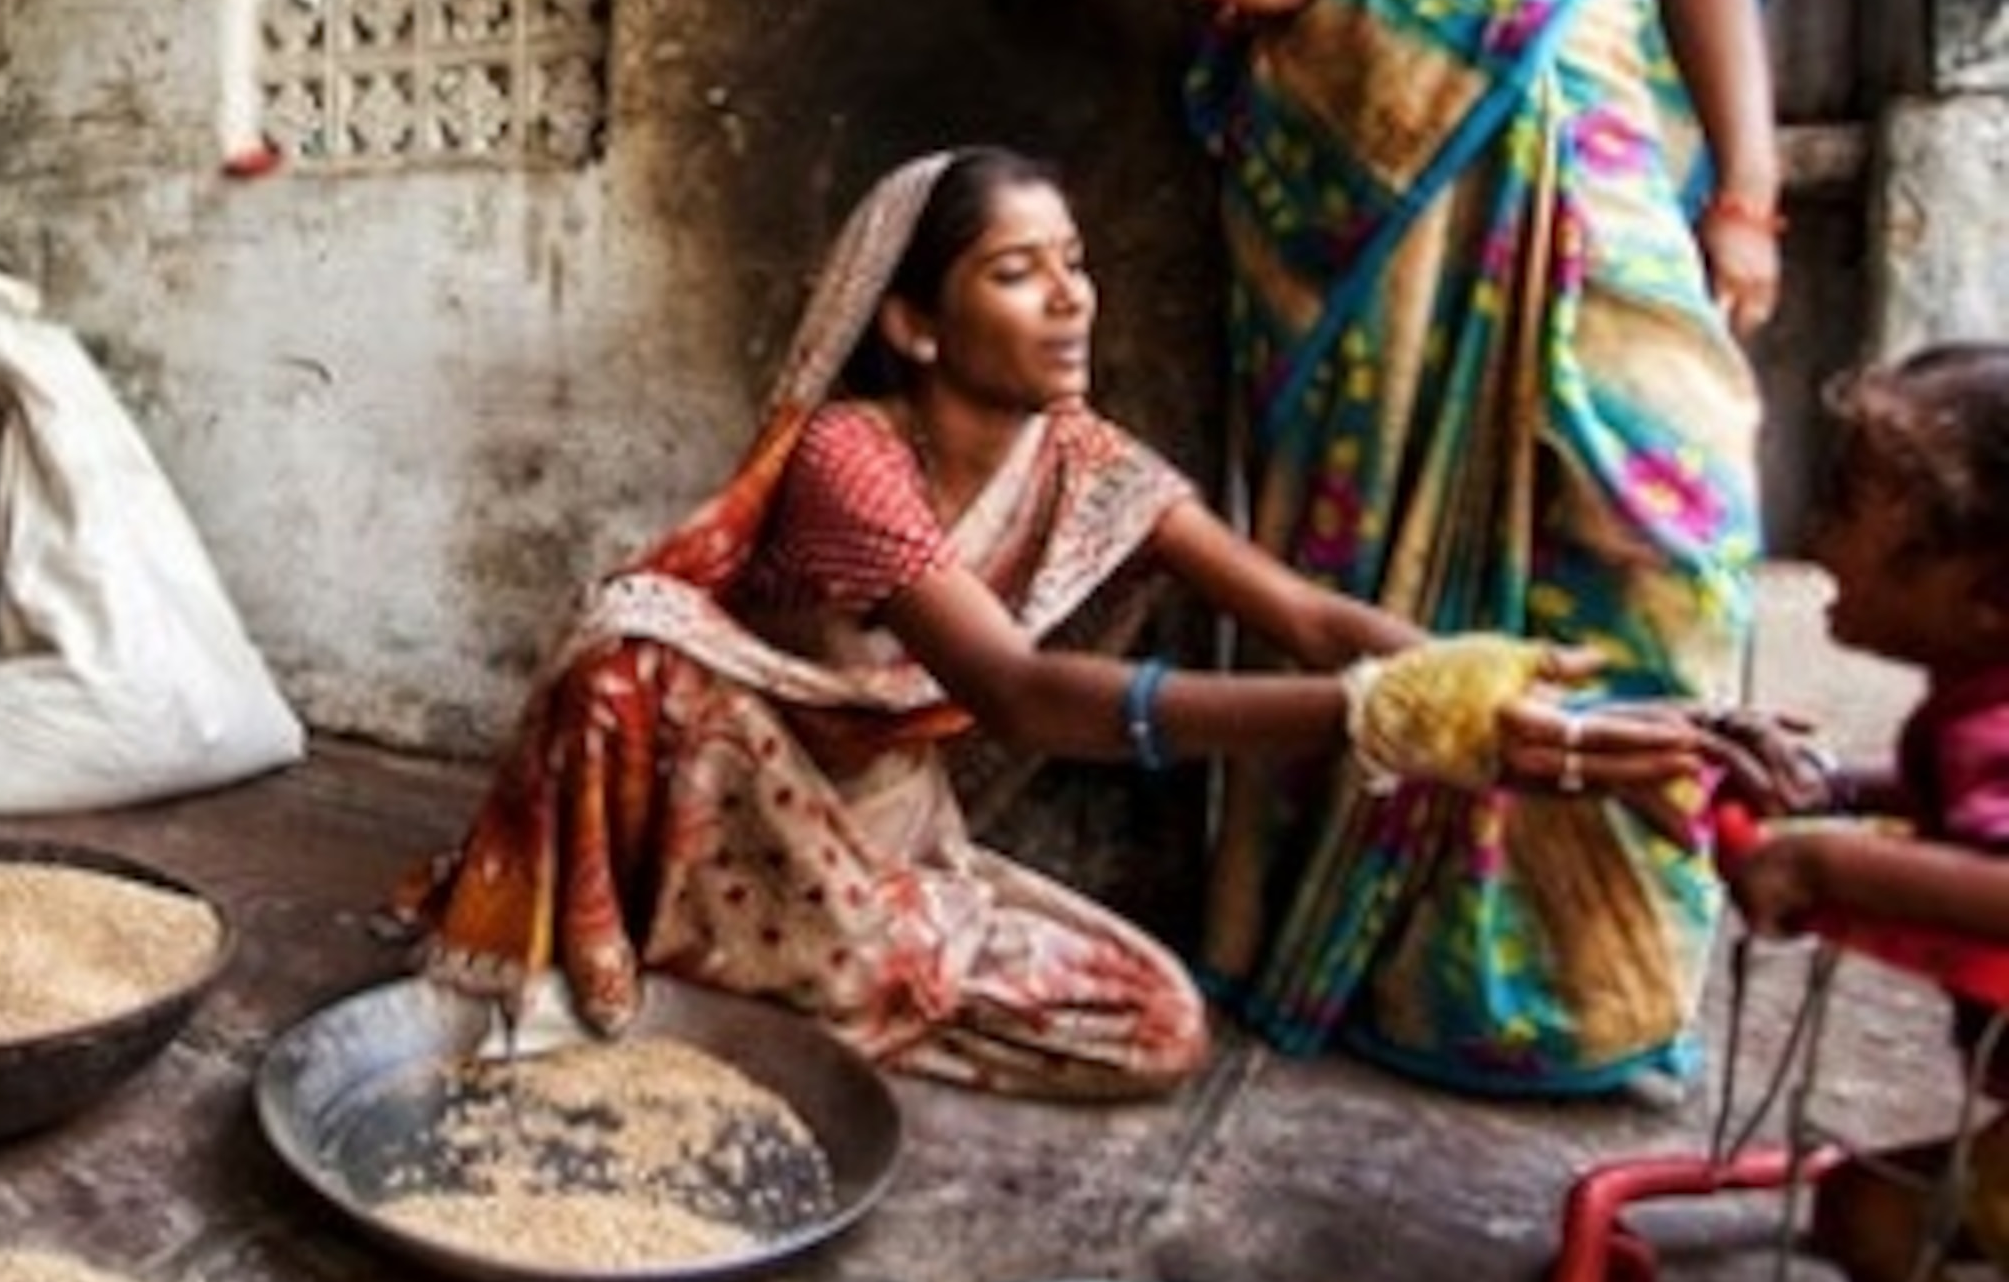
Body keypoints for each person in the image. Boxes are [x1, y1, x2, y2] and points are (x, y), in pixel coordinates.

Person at [1006, 0, 1778, 1096]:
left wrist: (1743, 185)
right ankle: (1376, 960)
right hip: (1344, 206)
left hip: (1586, 165)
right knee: (1355, 577)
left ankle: (1595, 980)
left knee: (1665, 528)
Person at [401, 146, 1714, 1099]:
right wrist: (1375, 721)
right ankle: (711, 973)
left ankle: (793, 989)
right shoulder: (852, 457)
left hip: (891, 843)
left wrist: (1504, 696)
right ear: (912, 324)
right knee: (639, 664)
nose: (1073, 297)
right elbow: (1023, 693)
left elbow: (1305, 615)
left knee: (1158, 1022)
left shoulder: (1077, 458)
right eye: (1019, 273)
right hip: (742, 802)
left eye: (1074, 266)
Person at [1718, 344, 2009, 1282]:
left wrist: (1830, 868)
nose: (1820, 534)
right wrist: (1836, 791)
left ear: (1987, 599)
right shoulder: (1975, 709)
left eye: (1847, 509)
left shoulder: (1993, 725)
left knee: (1869, 1214)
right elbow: (1955, 801)